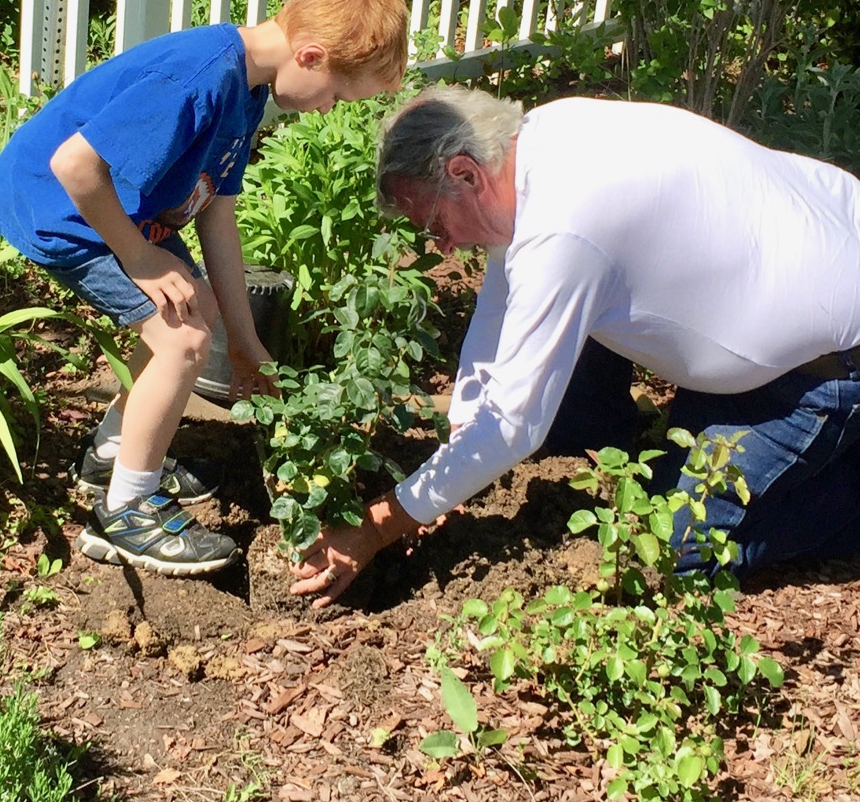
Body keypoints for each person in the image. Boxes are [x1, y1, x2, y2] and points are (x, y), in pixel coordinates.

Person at [290, 85, 860, 606]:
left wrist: (379, 525)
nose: (439, 246)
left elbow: (513, 426)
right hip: (803, 253)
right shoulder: (534, 143)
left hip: (815, 372)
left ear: (465, 173)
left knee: (671, 557)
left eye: (435, 221)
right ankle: (630, 444)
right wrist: (459, 439)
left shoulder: (564, 228)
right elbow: (500, 299)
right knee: (557, 399)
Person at [0, 0, 409, 576]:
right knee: (182, 338)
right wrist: (141, 256)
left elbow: (217, 217)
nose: (326, 110)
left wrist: (249, 345)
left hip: (117, 210)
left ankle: (114, 454)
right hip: (64, 208)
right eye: (337, 95)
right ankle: (124, 511)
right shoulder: (201, 76)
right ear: (311, 56)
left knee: (198, 313)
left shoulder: (247, 91)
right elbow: (74, 166)